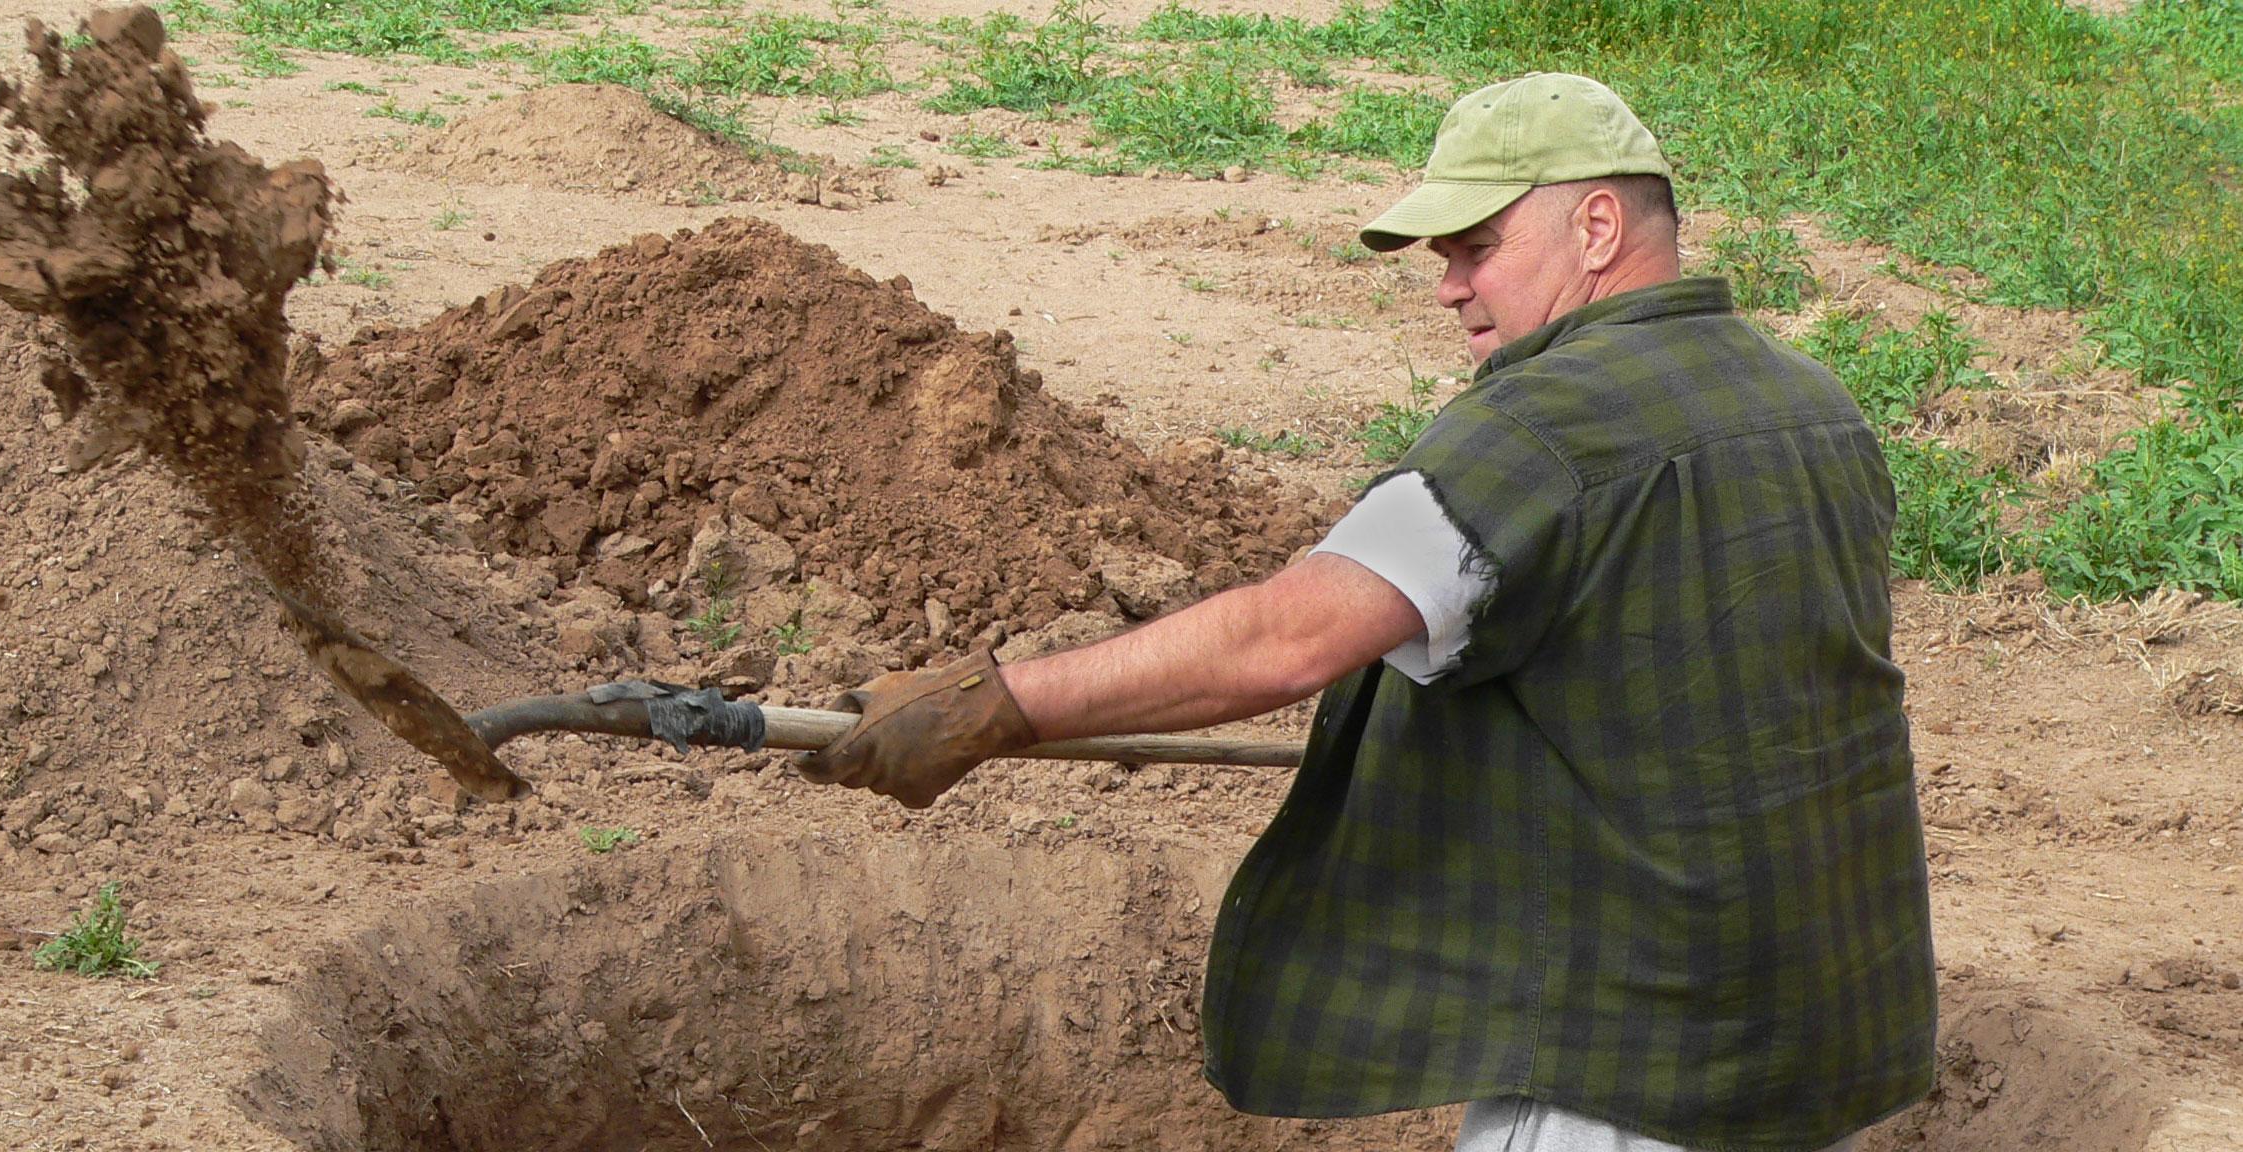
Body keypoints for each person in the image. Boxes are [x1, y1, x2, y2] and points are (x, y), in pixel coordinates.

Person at [800, 73, 1935, 1152]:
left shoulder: (1539, 430)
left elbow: (1284, 639)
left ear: (1597, 229)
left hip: (1629, 1063)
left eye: (1478, 248)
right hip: (1817, 1033)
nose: (1449, 286)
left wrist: (984, 706)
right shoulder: (1809, 405)